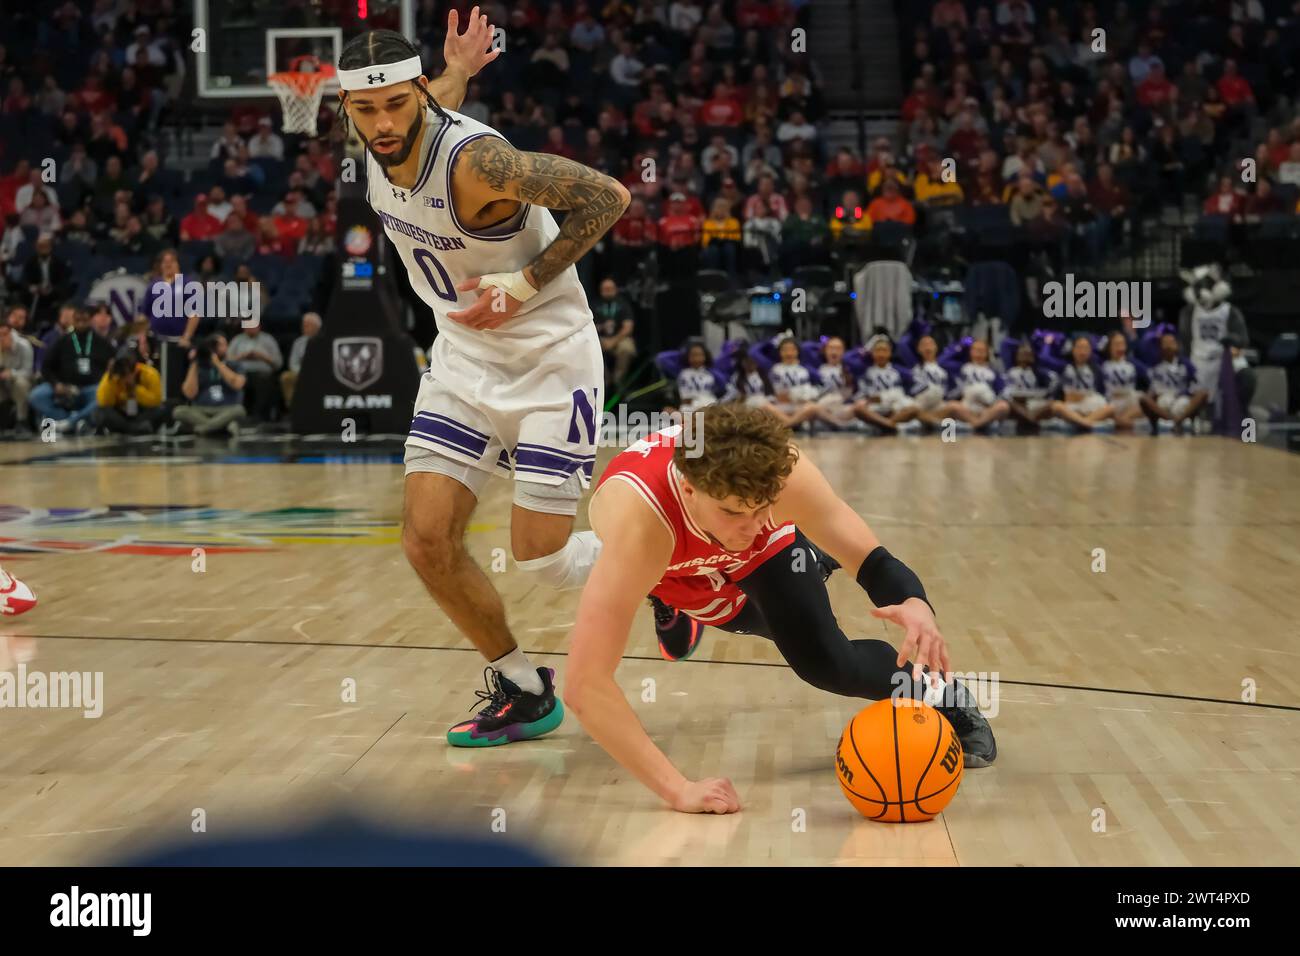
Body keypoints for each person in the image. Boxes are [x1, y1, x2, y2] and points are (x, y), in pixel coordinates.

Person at [337, 14, 630, 746]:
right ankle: (526, 689)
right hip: (464, 360)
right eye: (365, 109)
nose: (382, 122)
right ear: (345, 108)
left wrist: (525, 284)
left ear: (419, 100)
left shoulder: (478, 165)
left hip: (550, 357)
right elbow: (433, 87)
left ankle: (671, 569)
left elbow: (608, 196)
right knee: (425, 540)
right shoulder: (382, 129)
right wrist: (460, 64)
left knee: (544, 555)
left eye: (397, 105)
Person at [564, 402, 996, 814]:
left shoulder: (781, 473)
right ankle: (667, 595)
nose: (751, 525)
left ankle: (943, 692)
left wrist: (915, 603)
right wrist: (677, 789)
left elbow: (870, 558)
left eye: (763, 509)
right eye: (734, 511)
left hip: (762, 555)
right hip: (672, 564)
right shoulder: (639, 526)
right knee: (769, 619)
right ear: (690, 489)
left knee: (824, 662)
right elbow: (585, 686)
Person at [29, 306, 113, 434]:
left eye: (84, 320)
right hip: (65, 387)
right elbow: (46, 367)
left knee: (104, 396)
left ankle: (70, 422)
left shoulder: (102, 342)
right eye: (78, 320)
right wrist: (56, 384)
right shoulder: (62, 340)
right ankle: (68, 420)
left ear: (90, 321)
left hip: (91, 388)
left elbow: (114, 366)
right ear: (73, 321)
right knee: (36, 396)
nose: (81, 323)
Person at [173, 333, 249, 437]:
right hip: (201, 410)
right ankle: (219, 428)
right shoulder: (198, 367)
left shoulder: (234, 365)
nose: (218, 348)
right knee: (179, 411)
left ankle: (204, 428)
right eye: (215, 345)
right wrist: (195, 362)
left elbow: (237, 384)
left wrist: (217, 363)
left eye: (222, 344)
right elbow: (189, 394)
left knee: (240, 410)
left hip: (227, 409)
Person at [94, 346, 167, 435]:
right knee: (100, 411)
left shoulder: (149, 374)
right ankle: (133, 428)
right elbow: (104, 402)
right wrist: (109, 378)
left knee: (162, 409)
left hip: (141, 414)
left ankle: (133, 428)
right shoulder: (114, 376)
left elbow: (155, 401)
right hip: (122, 417)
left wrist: (134, 389)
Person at [592, 278, 636, 389]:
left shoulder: (623, 304)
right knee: (589, 348)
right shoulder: (594, 305)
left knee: (627, 348)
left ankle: (618, 380)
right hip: (599, 338)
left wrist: (613, 340)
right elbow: (588, 326)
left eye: (610, 288)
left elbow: (628, 327)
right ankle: (603, 380)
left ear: (615, 289)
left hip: (619, 338)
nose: (608, 291)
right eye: (605, 289)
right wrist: (602, 329)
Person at [281, 311, 321, 410]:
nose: (303, 327)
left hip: (320, 373)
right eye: (303, 325)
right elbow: (293, 363)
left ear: (317, 327)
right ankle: (293, 408)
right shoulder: (298, 342)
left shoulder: (324, 341)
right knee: (286, 377)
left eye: (307, 325)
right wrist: (302, 373)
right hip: (300, 373)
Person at [0, 321, 34, 433]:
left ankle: (22, 421)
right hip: (3, 384)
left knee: (21, 384)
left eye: (4, 334)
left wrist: (12, 373)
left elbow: (28, 372)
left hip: (22, 383)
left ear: (11, 333)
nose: (1, 338)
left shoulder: (24, 345)